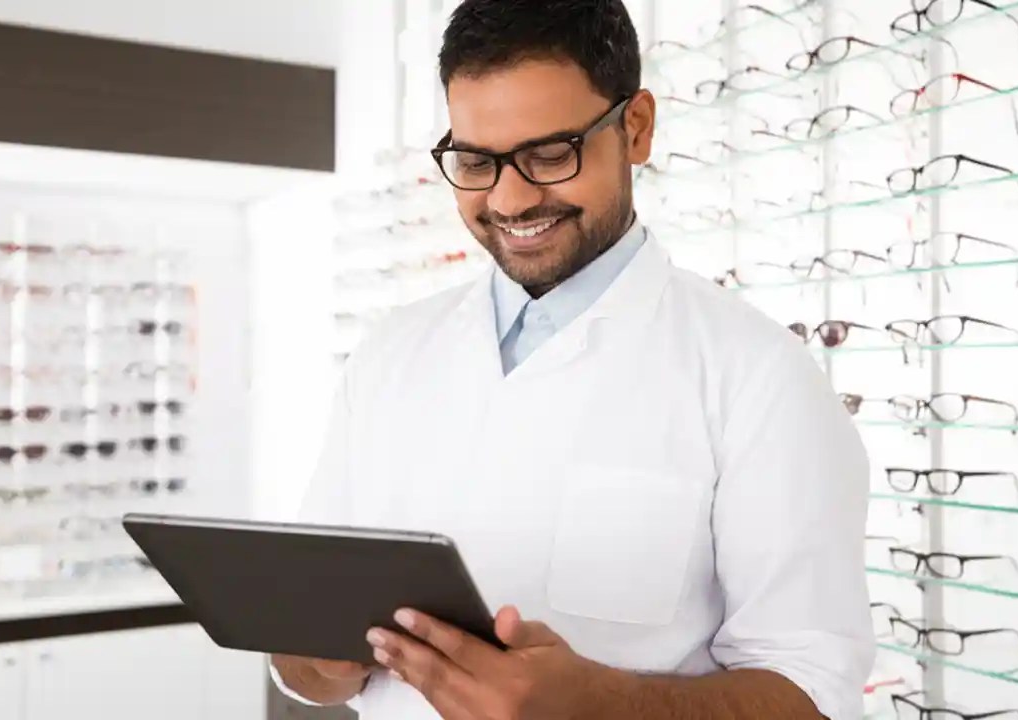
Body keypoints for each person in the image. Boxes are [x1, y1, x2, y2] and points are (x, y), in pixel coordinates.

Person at [271, 0, 874, 717]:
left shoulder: (758, 378)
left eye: (551, 154)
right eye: (474, 160)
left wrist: (597, 704)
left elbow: (813, 694)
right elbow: (303, 655)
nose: (511, 197)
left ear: (637, 127)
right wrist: (313, 663)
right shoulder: (389, 355)